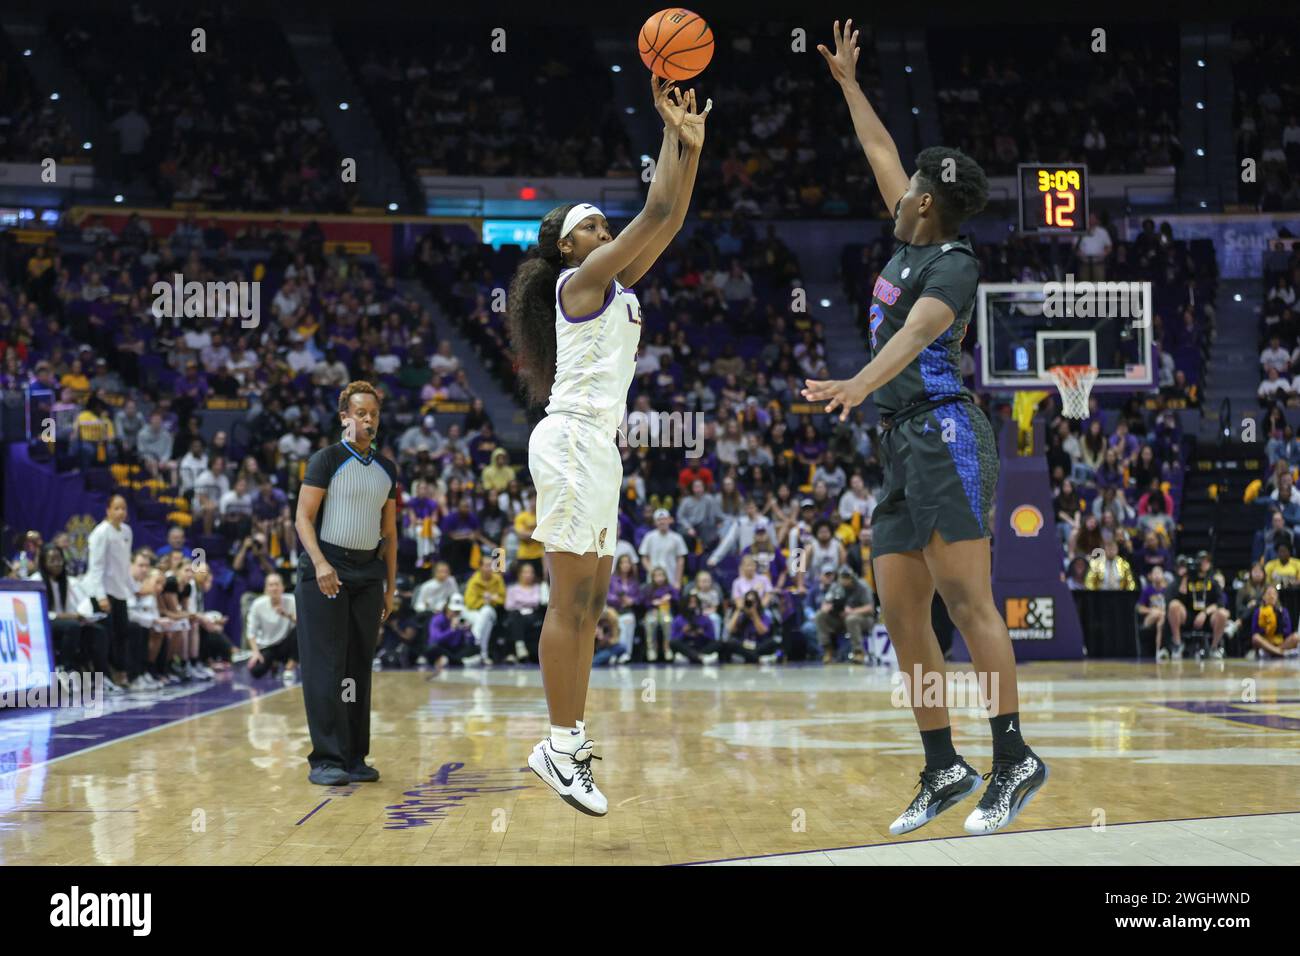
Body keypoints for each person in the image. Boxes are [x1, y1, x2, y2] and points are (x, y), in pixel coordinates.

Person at [803, 20, 1045, 836]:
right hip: (902, 439)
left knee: (970, 603)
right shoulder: (909, 241)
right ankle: (943, 763)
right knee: (902, 611)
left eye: (910, 184)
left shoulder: (954, 265)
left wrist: (850, 384)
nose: (896, 186)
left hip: (946, 432)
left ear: (928, 201)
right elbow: (879, 151)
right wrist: (848, 85)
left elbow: (911, 340)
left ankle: (1014, 758)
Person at [503, 76, 709, 816]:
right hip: (570, 442)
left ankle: (566, 744)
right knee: (571, 599)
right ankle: (560, 748)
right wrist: (667, 133)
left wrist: (691, 150)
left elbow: (670, 219)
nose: (604, 234)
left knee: (590, 603)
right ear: (568, 246)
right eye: (593, 227)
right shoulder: (578, 283)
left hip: (598, 448)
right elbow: (653, 209)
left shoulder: (615, 286)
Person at [294, 381, 399, 786]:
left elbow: (389, 534)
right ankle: (325, 758)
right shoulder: (326, 459)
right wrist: (320, 563)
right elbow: (303, 518)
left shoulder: (388, 468)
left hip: (367, 575)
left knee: (358, 668)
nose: (367, 419)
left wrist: (390, 587)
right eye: (360, 413)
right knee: (326, 667)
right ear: (345, 418)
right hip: (327, 570)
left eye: (373, 413)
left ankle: (355, 756)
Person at [33, 544, 119, 690]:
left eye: (59, 559)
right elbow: (38, 613)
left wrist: (84, 615)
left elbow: (81, 605)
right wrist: (68, 616)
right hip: (45, 625)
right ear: (43, 562)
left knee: (98, 631)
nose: (57, 563)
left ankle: (100, 677)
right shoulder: (35, 581)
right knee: (71, 626)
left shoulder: (68, 581)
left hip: (69, 623)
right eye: (52, 560)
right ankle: (66, 669)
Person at [83, 495, 136, 688]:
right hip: (102, 591)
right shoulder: (100, 533)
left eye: (123, 508)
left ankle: (121, 673)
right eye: (116, 508)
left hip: (119, 590)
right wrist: (101, 596)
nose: (120, 512)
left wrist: (134, 589)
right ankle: (104, 677)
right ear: (108, 510)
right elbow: (95, 567)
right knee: (105, 636)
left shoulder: (127, 531)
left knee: (123, 633)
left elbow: (125, 564)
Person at [246, 573, 299, 679]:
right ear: (266, 589)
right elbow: (251, 632)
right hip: (267, 646)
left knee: (299, 630)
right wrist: (255, 652)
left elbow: (302, 624)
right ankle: (273, 663)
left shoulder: (291, 600)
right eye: (271, 585)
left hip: (286, 644)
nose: (274, 588)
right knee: (255, 671)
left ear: (282, 587)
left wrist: (287, 615)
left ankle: (290, 666)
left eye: (277, 584)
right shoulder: (258, 605)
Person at [1249, 585, 1300, 658]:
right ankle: (1280, 653)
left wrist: (1278, 628)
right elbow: (1254, 630)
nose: (1271, 596)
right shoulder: (1258, 611)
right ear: (1263, 597)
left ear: (1277, 596)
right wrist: (1266, 629)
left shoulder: (1282, 611)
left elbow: (1288, 630)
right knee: (1255, 637)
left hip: (1280, 643)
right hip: (1265, 642)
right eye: (1269, 593)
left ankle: (1273, 652)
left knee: (1296, 637)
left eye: (1274, 594)